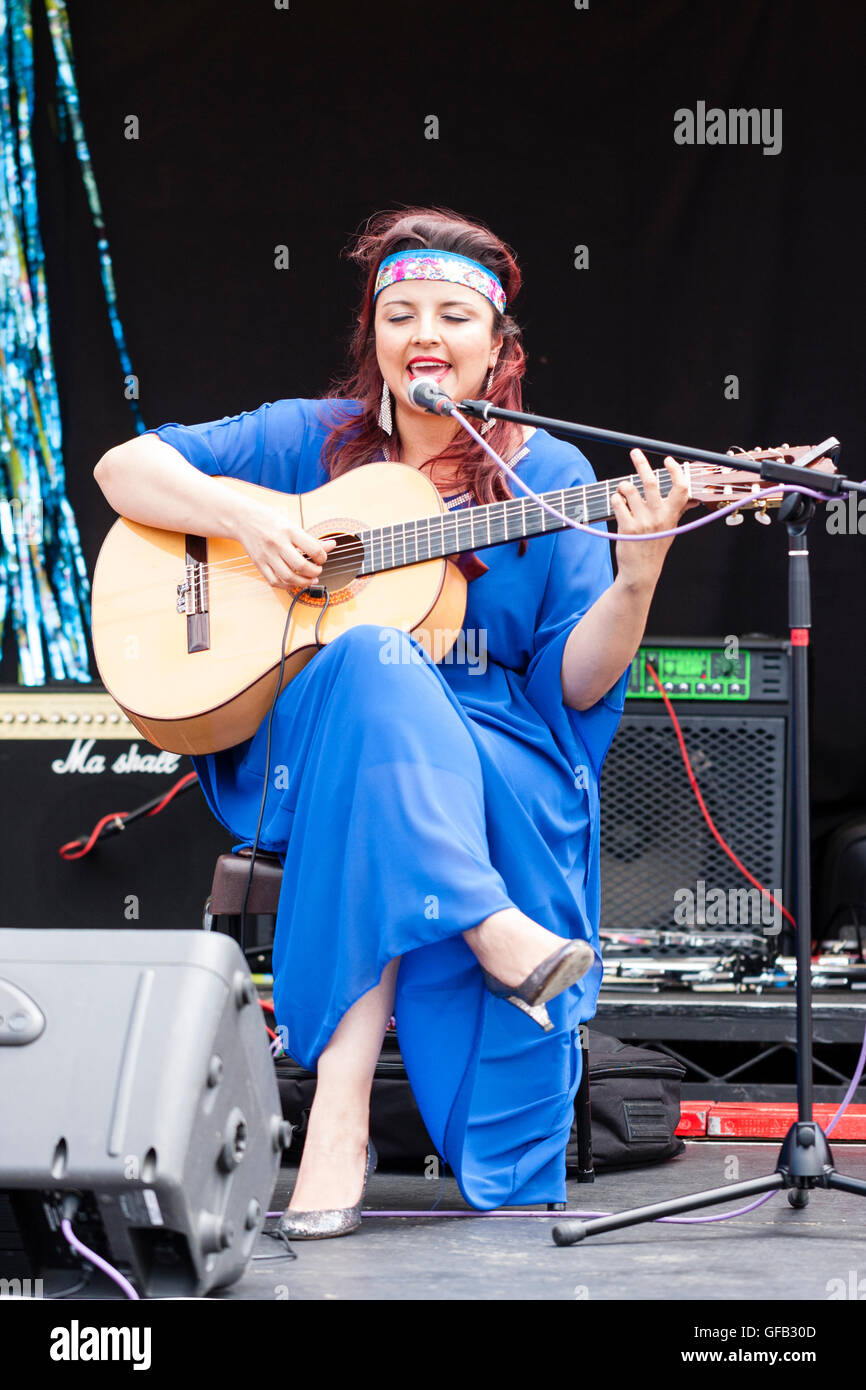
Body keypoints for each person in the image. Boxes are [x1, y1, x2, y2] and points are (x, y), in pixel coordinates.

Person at [93, 206, 690, 1236]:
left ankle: (338, 1116)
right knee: (372, 655)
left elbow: (576, 684)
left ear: (498, 346)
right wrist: (256, 517)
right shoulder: (310, 439)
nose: (423, 331)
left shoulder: (545, 476)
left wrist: (633, 582)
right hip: (312, 733)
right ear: (371, 337)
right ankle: (487, 930)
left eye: (452, 314)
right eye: (398, 311)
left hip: (493, 748)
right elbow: (123, 470)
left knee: (386, 683)